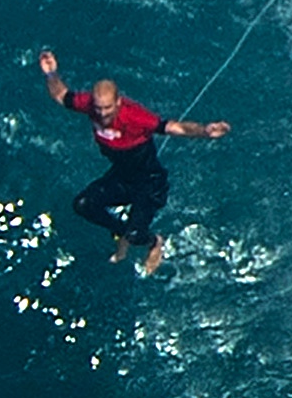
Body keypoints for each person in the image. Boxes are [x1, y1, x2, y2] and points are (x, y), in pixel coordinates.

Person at [39, 49, 229, 275]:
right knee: (82, 205)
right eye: (98, 108)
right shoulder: (90, 105)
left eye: (107, 108)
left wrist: (204, 131)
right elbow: (62, 96)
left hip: (149, 183)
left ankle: (155, 242)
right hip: (121, 176)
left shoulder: (133, 116)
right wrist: (51, 74)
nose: (102, 114)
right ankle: (122, 234)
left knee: (137, 234)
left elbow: (173, 127)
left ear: (118, 102)